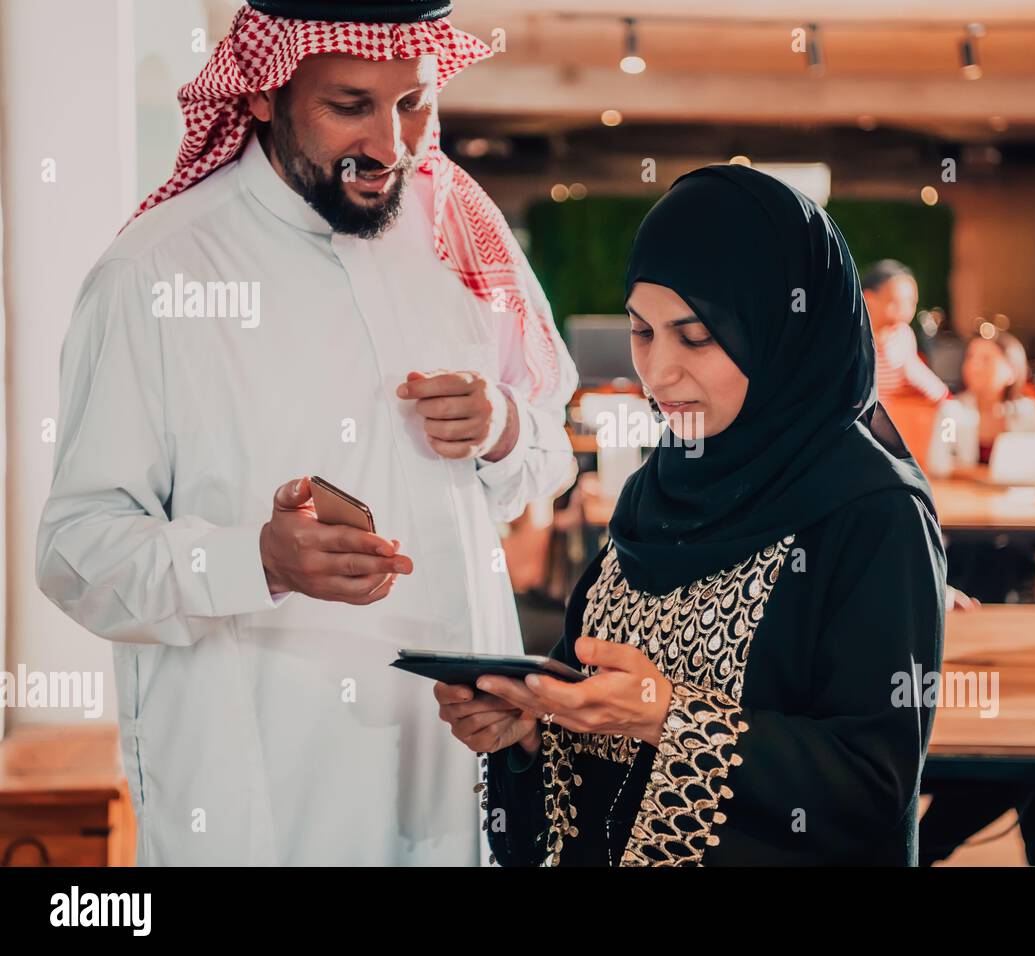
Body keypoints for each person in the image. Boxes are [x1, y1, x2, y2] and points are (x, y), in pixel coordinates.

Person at [35, 0, 577, 865]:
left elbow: (545, 457)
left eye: (413, 103)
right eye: (350, 105)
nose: (392, 145)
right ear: (260, 93)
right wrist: (258, 560)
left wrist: (504, 428)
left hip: (457, 775)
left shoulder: (454, 237)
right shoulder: (155, 274)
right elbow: (76, 556)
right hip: (270, 802)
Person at [436, 165, 948, 865]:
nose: (658, 373)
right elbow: (588, 706)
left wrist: (669, 716)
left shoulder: (873, 513)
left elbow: (873, 785)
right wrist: (528, 728)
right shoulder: (661, 487)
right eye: (643, 333)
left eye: (697, 336)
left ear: (781, 331)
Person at [927, 329, 1035, 477]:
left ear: (1012, 371)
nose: (974, 366)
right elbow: (938, 463)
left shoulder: (1027, 411)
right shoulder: (951, 413)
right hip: (964, 497)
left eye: (986, 359)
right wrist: (986, 476)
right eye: (970, 357)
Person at [863, 260, 951, 404]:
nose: (905, 311)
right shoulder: (855, 337)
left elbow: (920, 376)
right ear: (869, 299)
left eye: (911, 302)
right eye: (895, 303)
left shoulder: (902, 336)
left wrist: (947, 400)